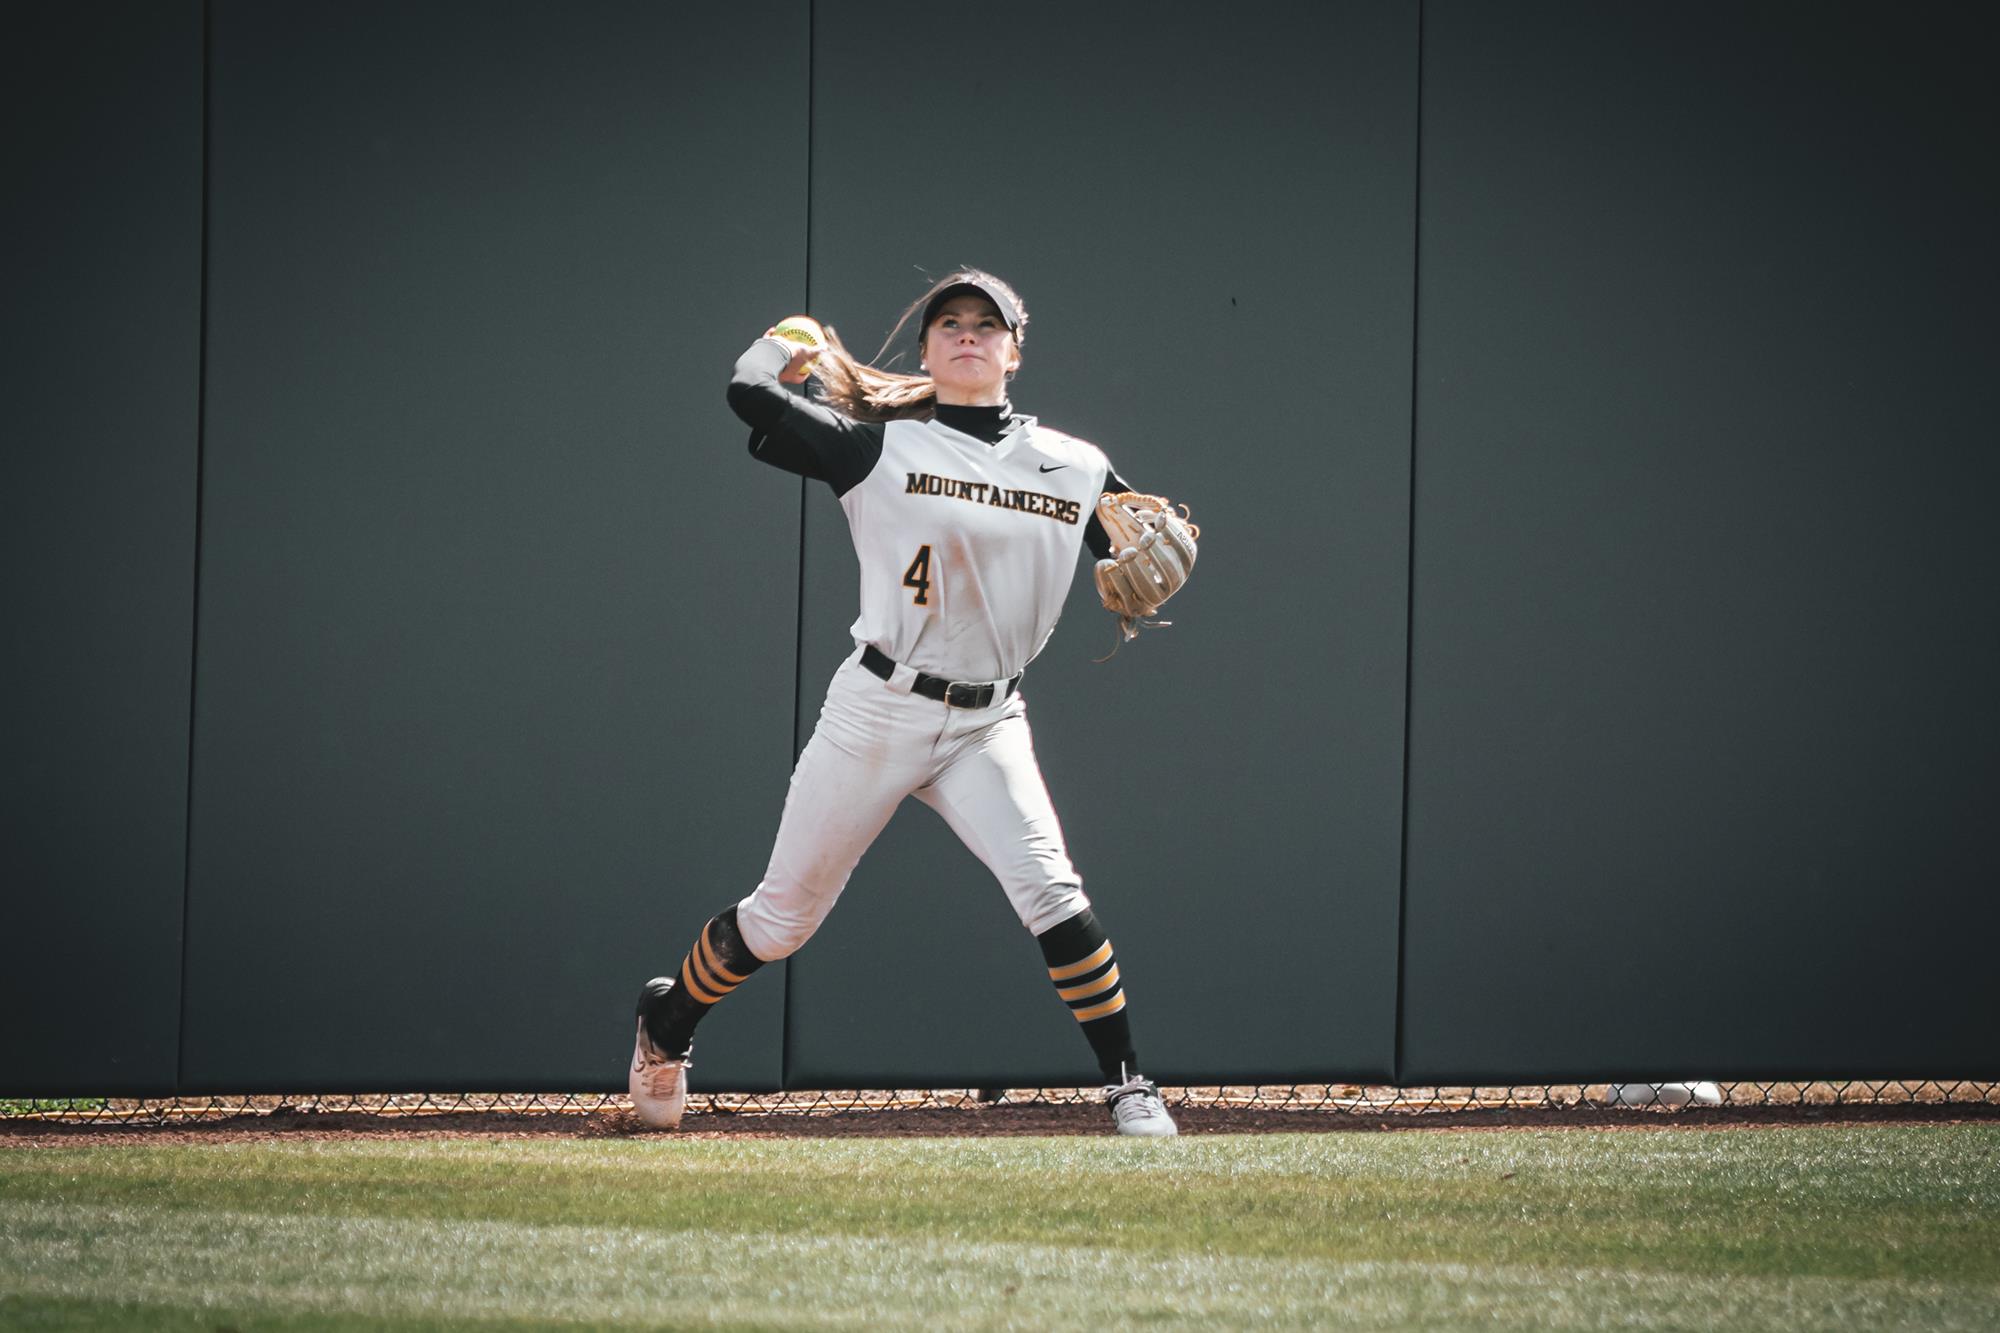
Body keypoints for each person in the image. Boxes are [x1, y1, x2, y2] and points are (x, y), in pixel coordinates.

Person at [628, 269, 1189, 1136]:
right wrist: (780, 349)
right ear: (926, 351)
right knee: (782, 920)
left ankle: (1129, 1083)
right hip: (879, 708)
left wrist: (1163, 552)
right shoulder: (878, 449)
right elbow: (748, 395)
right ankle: (666, 1024)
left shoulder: (1077, 466)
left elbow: (1148, 542)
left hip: (987, 721)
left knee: (1050, 889)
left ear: (1014, 351)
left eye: (987, 324)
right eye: (950, 322)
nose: (968, 334)